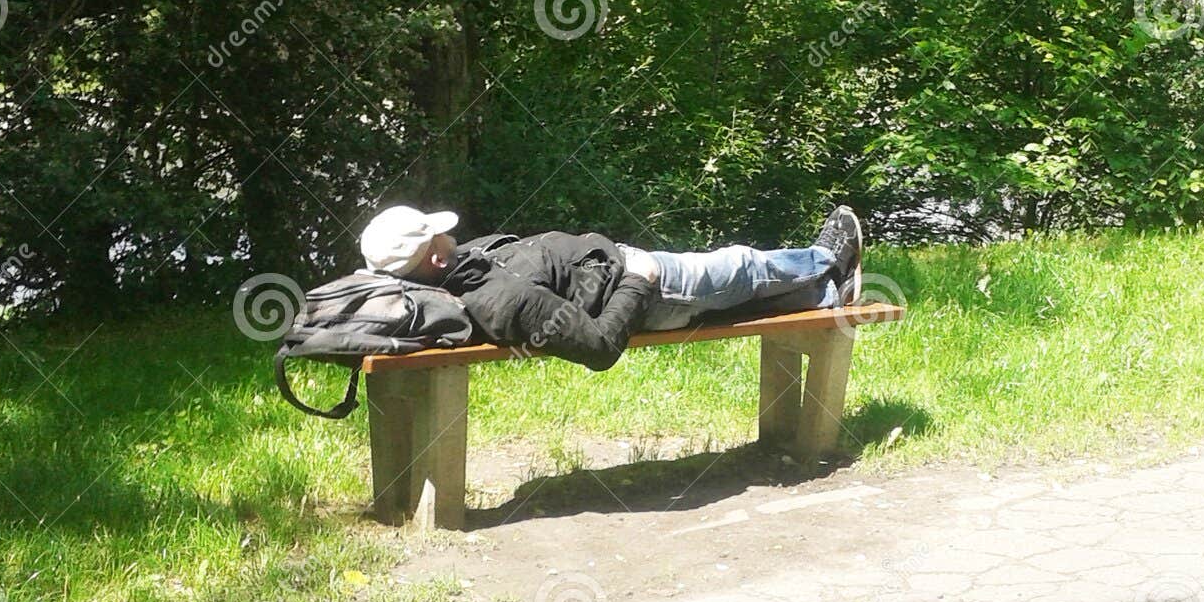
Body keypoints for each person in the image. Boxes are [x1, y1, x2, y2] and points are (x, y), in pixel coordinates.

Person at [357, 205, 863, 371]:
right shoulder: (500, 300)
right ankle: (827, 258)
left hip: (620, 274)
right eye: (435, 230)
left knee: (737, 295)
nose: (445, 228)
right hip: (647, 288)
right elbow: (598, 347)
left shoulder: (459, 269)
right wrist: (642, 277)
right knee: (742, 265)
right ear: (435, 254)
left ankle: (823, 294)